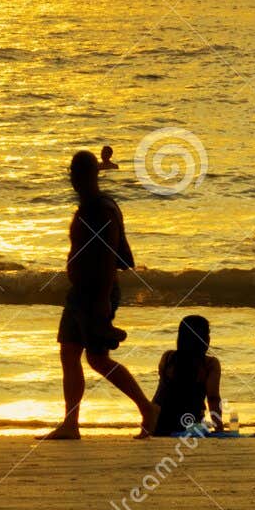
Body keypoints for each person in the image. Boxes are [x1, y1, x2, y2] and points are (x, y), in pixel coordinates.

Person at [46, 150, 157, 439]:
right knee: (69, 353)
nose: (74, 179)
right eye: (72, 172)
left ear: (92, 174)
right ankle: (71, 423)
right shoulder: (90, 206)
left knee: (98, 359)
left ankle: (147, 409)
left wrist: (103, 300)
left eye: (79, 173)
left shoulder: (100, 209)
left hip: (96, 291)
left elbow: (108, 257)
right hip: (80, 292)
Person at [152, 315, 224, 437]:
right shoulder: (209, 364)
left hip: (158, 421)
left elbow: (161, 393)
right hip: (189, 424)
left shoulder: (168, 357)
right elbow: (213, 398)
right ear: (204, 338)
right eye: (208, 334)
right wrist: (219, 427)